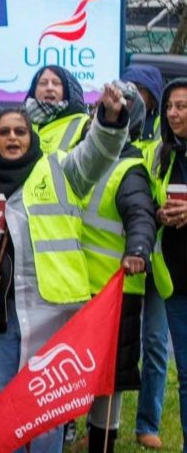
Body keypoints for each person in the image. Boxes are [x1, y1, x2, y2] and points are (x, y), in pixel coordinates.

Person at [0, 83, 129, 453]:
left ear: (31, 137)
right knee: (2, 409)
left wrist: (109, 119)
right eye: (4, 132)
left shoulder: (60, 169)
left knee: (46, 412)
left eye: (20, 132)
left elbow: (97, 154)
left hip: (50, 313)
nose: (13, 138)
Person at [78, 84, 156, 450]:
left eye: (116, 108)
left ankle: (101, 444)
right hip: (75, 287)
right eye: (101, 106)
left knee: (109, 383)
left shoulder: (130, 169)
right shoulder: (77, 157)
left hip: (115, 292)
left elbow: (141, 213)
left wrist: (139, 248)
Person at [0, 29, 89, 154]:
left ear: (68, 90)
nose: (49, 87)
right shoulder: (13, 118)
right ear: (33, 91)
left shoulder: (85, 126)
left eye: (56, 83)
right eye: (43, 83)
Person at [130, 65, 173, 450]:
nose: (133, 98)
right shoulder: (108, 134)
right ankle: (86, 423)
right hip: (116, 257)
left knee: (155, 343)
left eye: (141, 91)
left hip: (157, 258)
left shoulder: (165, 142)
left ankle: (147, 422)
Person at [143, 77, 187, 451]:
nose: (174, 113)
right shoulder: (163, 155)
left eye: (182, 106)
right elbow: (153, 204)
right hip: (176, 278)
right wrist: (161, 214)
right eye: (170, 106)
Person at [124, 63, 164, 142]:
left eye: (139, 89)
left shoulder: (163, 124)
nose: (132, 94)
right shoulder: (109, 115)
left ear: (152, 97)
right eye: (128, 88)